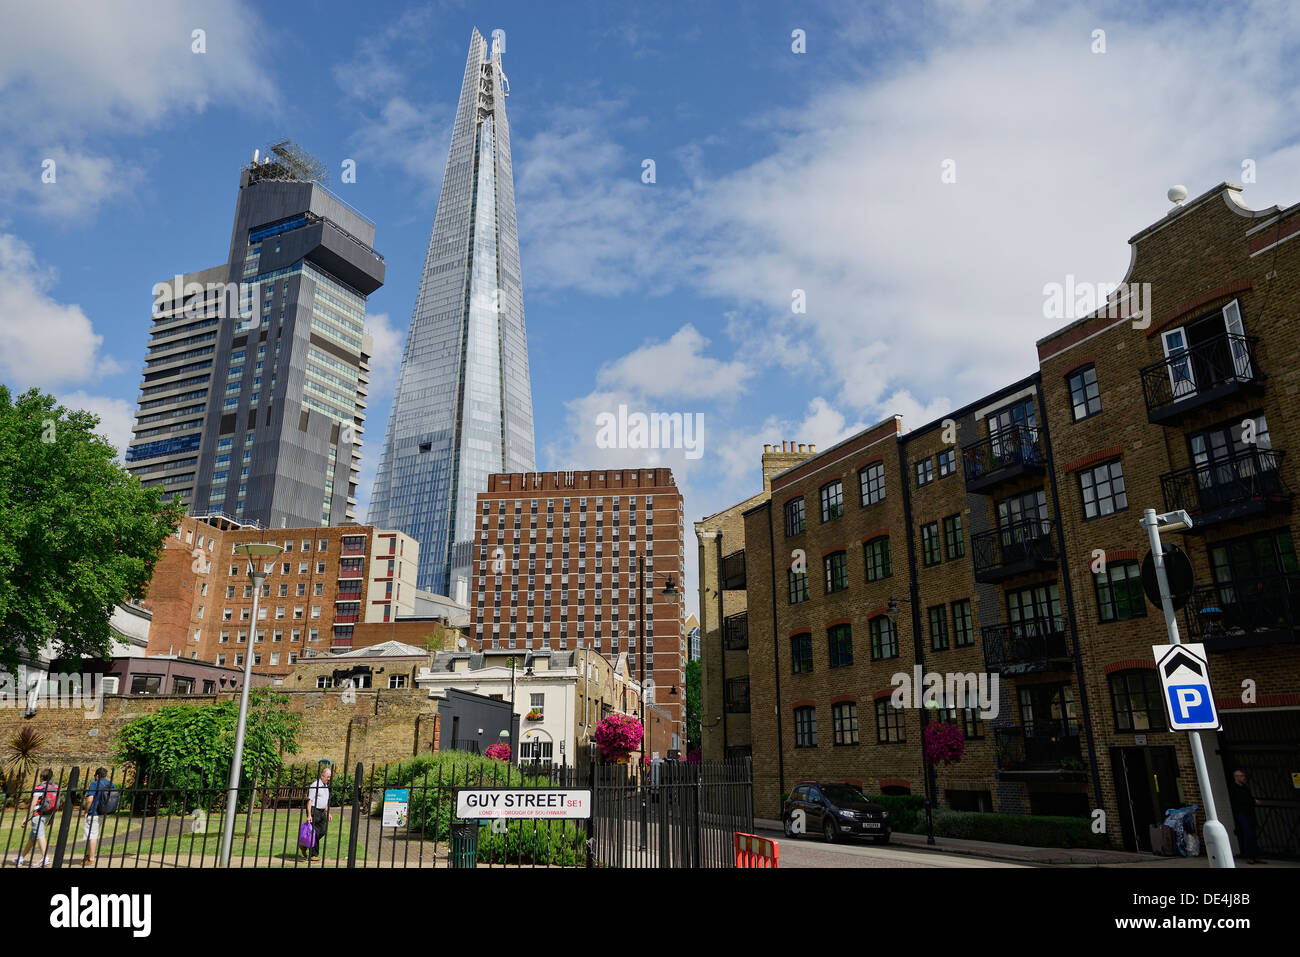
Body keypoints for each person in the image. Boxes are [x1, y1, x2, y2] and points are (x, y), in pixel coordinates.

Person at [12, 769, 57, 867]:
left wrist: (25, 818)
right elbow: (56, 803)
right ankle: (21, 858)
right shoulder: (55, 787)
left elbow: (33, 804)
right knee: (32, 838)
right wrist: (52, 818)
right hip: (48, 815)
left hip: (38, 815)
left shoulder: (39, 787)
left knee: (40, 835)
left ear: (41, 777)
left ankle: (45, 858)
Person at [1228, 768, 1263, 864]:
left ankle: (1255, 855)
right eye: (1242, 776)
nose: (1244, 778)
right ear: (1236, 777)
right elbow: (1240, 801)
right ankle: (1249, 856)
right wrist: (1252, 801)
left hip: (1249, 813)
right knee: (1248, 835)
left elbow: (1247, 797)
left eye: (1244, 776)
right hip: (1242, 814)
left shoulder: (1245, 787)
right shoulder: (1234, 789)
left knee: (1253, 835)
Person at [82, 767, 111, 867]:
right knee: (93, 834)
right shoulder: (110, 784)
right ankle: (88, 855)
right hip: (103, 813)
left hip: (93, 813)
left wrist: (85, 811)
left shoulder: (95, 783)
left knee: (92, 835)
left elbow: (89, 799)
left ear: (97, 775)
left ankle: (91, 858)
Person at [304, 761, 333, 862]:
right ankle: (313, 855)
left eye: (329, 777)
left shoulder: (325, 786)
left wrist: (328, 813)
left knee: (323, 831)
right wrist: (309, 815)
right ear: (322, 776)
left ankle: (305, 845)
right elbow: (309, 800)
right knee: (315, 832)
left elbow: (325, 801)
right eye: (327, 777)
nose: (329, 779)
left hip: (322, 811)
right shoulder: (315, 785)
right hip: (314, 810)